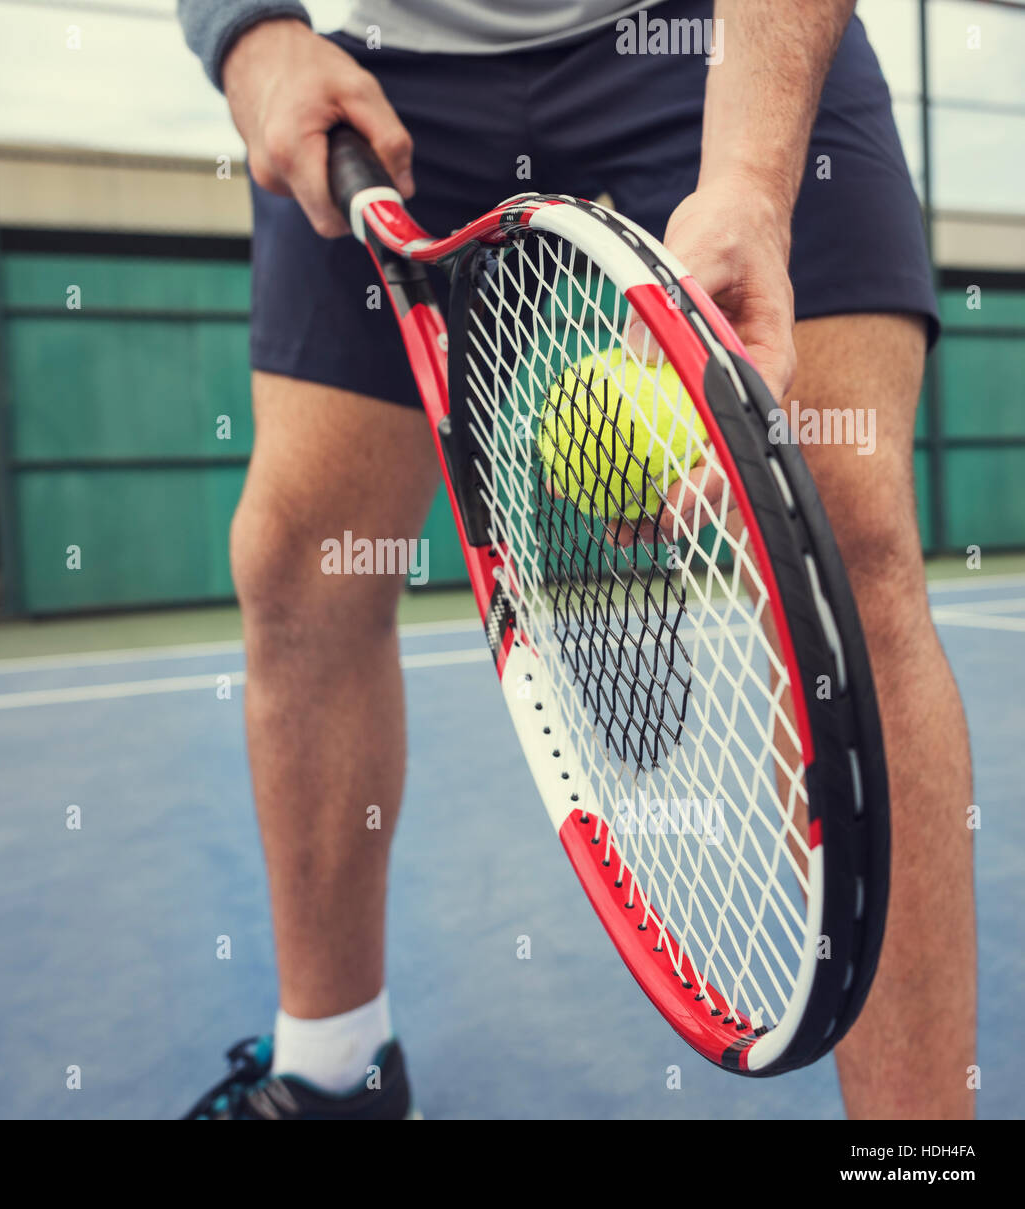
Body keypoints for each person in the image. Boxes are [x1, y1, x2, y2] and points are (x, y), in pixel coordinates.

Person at [176, 0, 975, 1120]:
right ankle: (334, 1067)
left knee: (844, 535)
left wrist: (749, 175)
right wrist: (252, 36)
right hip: (393, 85)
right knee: (300, 560)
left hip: (716, 35)